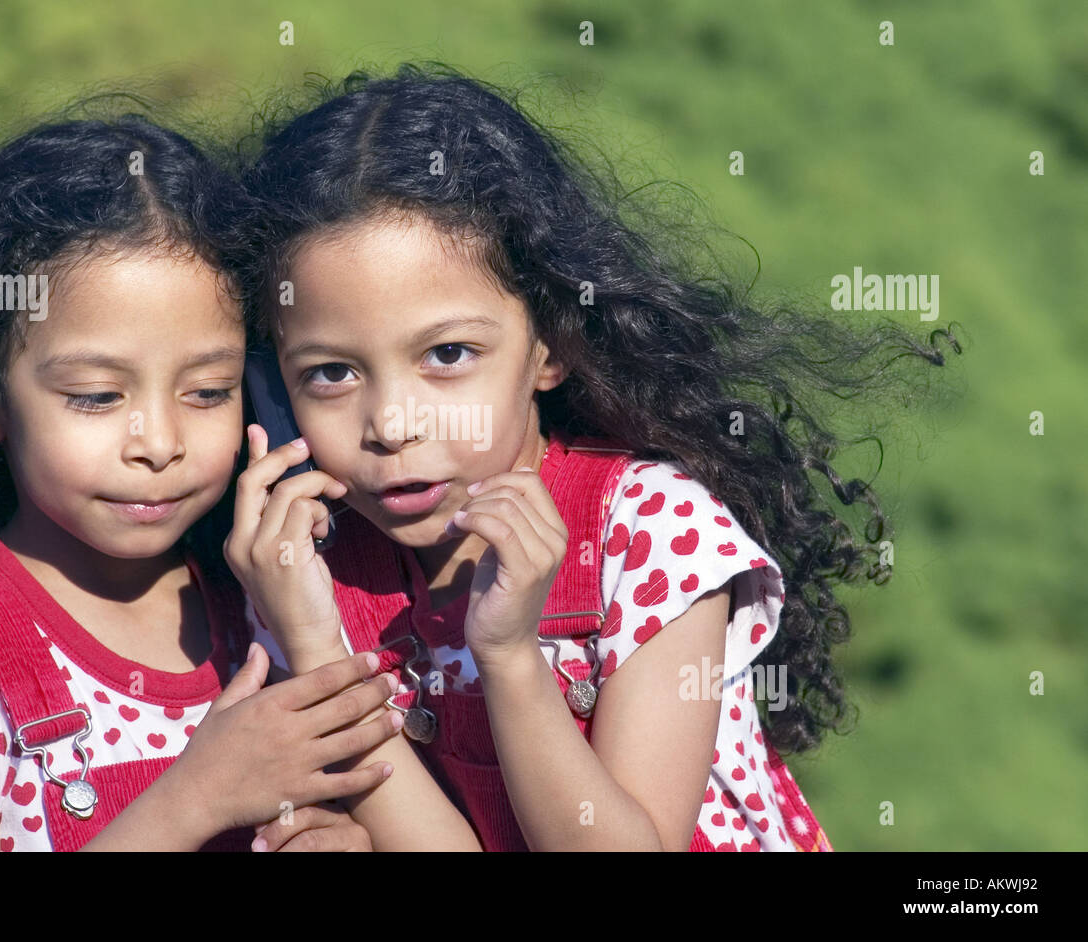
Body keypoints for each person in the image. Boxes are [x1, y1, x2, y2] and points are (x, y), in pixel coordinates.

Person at [226, 66, 959, 851]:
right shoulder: (304, 570)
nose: (390, 424)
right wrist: (309, 636)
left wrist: (508, 658)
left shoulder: (650, 530)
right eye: (331, 373)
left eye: (447, 353)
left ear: (549, 345)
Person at [0, 111, 402, 851]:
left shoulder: (272, 604)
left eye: (208, 391)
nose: (159, 444)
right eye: (95, 396)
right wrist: (191, 803)